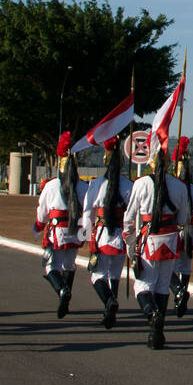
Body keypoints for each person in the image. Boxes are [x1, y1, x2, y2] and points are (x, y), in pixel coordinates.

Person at [122, 139, 191, 349]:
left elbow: (129, 216)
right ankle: (157, 334)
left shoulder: (141, 184)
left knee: (143, 286)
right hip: (170, 241)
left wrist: (130, 244)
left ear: (151, 162)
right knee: (162, 286)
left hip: (148, 241)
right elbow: (183, 219)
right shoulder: (179, 186)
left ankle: (152, 316)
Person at [81, 137, 133, 329]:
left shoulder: (95, 185)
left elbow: (88, 212)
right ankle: (110, 312)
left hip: (102, 234)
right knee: (115, 275)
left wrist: (86, 235)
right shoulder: (129, 185)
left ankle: (109, 302)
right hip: (121, 235)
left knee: (97, 276)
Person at [35, 131, 87, 318]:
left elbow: (42, 210)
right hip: (76, 228)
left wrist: (39, 224)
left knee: (51, 266)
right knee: (69, 264)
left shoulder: (51, 186)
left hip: (57, 230)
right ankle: (66, 296)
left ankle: (62, 291)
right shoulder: (82, 186)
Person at [168, 136, 193, 319]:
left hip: (173, 230)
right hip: (190, 231)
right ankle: (182, 294)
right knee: (185, 267)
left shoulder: (172, 187)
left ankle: (178, 292)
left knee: (169, 267)